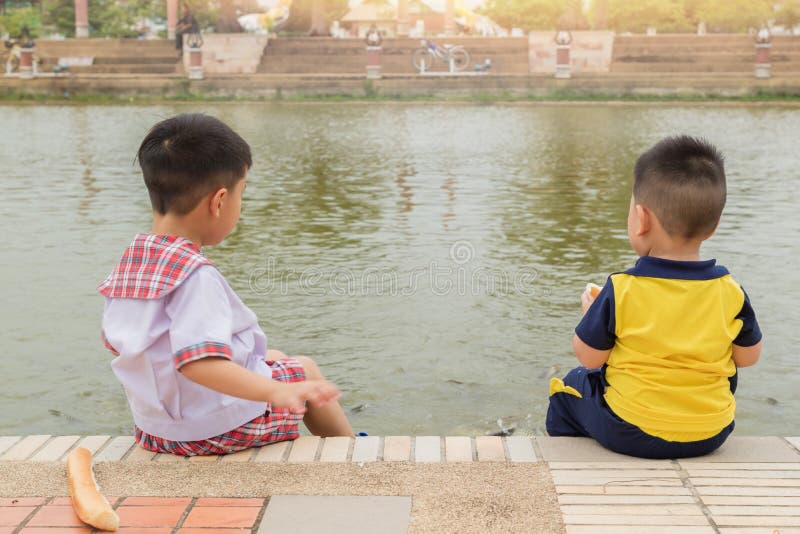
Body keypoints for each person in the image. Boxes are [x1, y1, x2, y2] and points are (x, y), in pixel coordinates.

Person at [98, 114, 354, 456]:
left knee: (273, 357)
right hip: (210, 432)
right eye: (241, 194)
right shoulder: (195, 276)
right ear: (219, 202)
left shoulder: (134, 262)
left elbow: (122, 344)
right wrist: (274, 392)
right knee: (303, 369)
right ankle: (353, 451)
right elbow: (197, 363)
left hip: (154, 430)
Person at [546, 136, 763, 459]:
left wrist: (588, 316)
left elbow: (590, 357)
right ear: (714, 225)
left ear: (642, 219)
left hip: (631, 430)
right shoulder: (730, 289)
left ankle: (570, 459)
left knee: (569, 388)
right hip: (712, 432)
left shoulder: (622, 288)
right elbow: (748, 358)